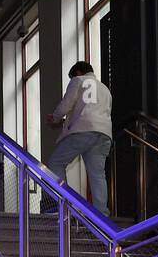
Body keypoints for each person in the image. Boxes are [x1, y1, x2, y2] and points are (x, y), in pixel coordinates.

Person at [45, 60, 113, 217]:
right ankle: (101, 214)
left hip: (83, 130)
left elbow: (66, 104)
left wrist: (55, 118)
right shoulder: (105, 89)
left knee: (56, 162)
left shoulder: (78, 81)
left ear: (77, 73)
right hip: (103, 133)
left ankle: (62, 206)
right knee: (97, 174)